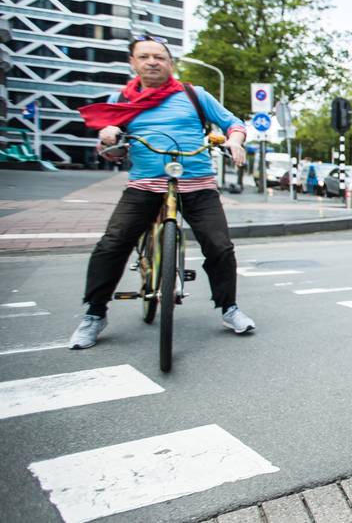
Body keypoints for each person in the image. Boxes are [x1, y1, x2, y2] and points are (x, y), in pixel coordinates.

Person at [67, 35, 256, 350]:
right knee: (112, 243)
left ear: (170, 63)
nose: (152, 62)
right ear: (133, 63)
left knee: (219, 246)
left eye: (159, 57)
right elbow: (110, 152)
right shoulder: (121, 99)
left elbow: (232, 123)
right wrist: (109, 139)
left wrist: (234, 141)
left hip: (197, 185)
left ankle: (229, 308)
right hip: (144, 184)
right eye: (145, 57)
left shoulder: (194, 95)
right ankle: (95, 314)